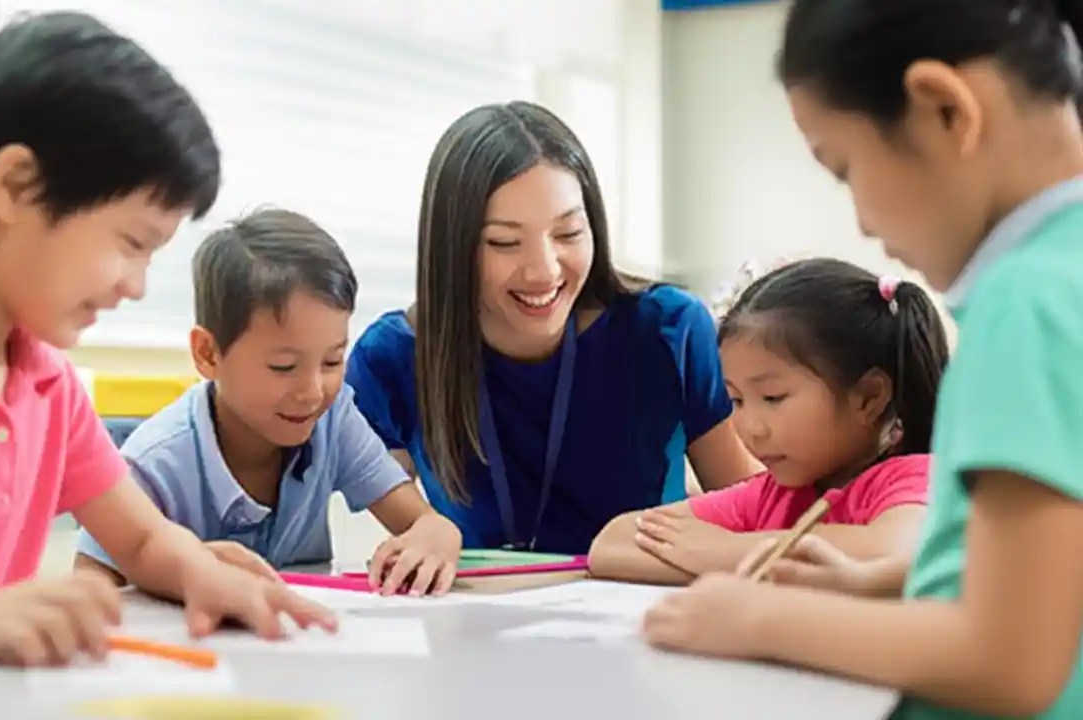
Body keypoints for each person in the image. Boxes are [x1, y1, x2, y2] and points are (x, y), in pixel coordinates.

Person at [0, 12, 335, 667]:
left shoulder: (48, 387)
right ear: (15, 186)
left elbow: (141, 542)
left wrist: (196, 568)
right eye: (132, 244)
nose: (136, 286)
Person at [643, 2, 1083, 718]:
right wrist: (884, 583)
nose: (864, 223)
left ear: (944, 109)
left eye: (845, 169)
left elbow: (1011, 661)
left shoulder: (1027, 300)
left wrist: (756, 620)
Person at [346, 101, 761, 556]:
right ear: (452, 246)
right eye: (504, 242)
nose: (543, 271)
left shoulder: (668, 329)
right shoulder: (393, 357)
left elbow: (752, 509)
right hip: (481, 616)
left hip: (646, 605)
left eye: (568, 234)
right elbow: (400, 521)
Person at [75, 209, 462, 596]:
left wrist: (437, 533)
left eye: (332, 361)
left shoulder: (333, 419)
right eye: (284, 366)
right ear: (209, 354)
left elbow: (422, 522)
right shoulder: (155, 464)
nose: (313, 390)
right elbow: (90, 588)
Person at [589, 258, 945, 588]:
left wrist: (721, 551)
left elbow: (889, 551)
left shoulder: (913, 477)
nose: (751, 428)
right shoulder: (772, 493)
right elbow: (613, 544)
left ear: (869, 397)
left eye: (773, 397)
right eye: (736, 401)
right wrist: (730, 555)